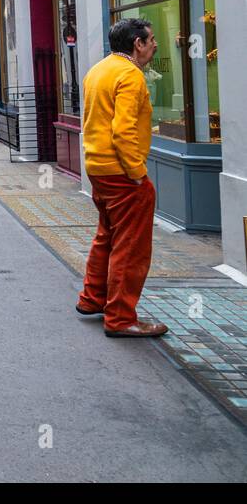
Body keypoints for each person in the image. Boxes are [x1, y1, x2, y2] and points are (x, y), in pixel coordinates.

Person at [75, 19, 167, 338]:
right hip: (121, 172)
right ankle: (121, 317)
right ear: (137, 44)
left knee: (108, 237)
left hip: (98, 168)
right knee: (131, 247)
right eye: (151, 39)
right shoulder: (130, 74)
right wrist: (139, 174)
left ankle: (92, 299)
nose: (155, 44)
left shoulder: (99, 70)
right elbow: (123, 130)